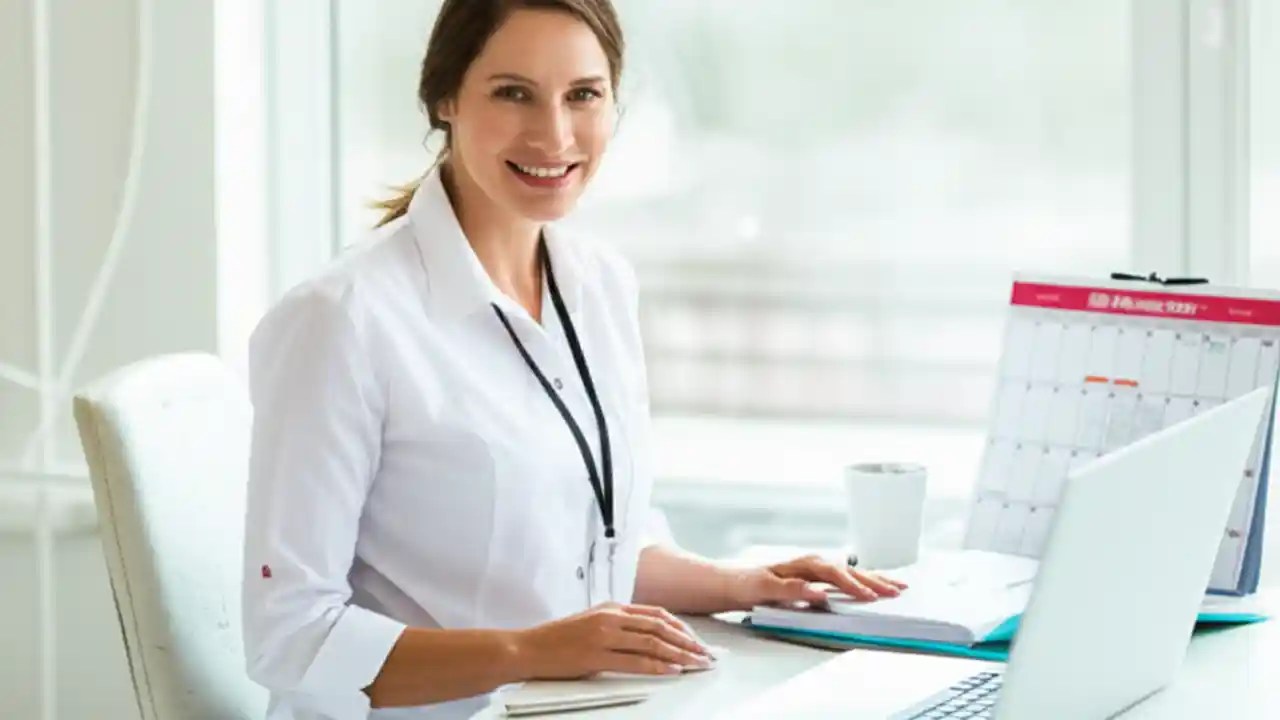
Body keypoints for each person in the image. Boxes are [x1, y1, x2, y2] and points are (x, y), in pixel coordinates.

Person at [242, 1, 905, 717]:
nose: (554, 135)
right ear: (445, 98)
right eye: (513, 93)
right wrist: (530, 653)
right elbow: (290, 636)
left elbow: (597, 550)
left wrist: (740, 585)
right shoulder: (342, 321)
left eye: (583, 95)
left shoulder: (601, 286)